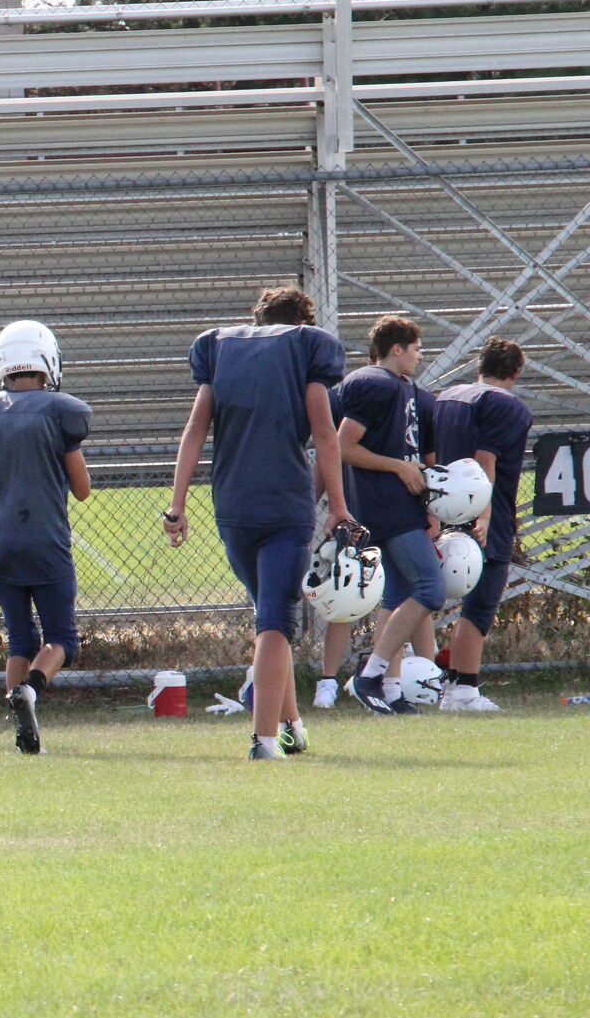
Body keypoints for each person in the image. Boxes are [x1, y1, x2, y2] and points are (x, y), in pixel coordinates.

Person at [163, 286, 348, 760]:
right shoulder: (307, 347)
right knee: (275, 623)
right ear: (303, 322)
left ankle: (291, 727)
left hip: (232, 504)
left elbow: (194, 430)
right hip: (284, 502)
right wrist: (340, 507)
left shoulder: (221, 348)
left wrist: (177, 504)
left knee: (270, 619)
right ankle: (264, 741)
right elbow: (326, 434)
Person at [0, 320, 93, 755]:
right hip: (45, 542)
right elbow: (83, 488)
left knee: (19, 638)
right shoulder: (60, 411)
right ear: (46, 361)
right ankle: (30, 689)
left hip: (0, 547)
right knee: (61, 640)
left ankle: (23, 733)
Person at [311, 338, 438, 709]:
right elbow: (340, 446)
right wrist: (398, 467)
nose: (420, 355)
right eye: (414, 347)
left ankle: (392, 689)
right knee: (429, 588)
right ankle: (366, 677)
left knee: (397, 597)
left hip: (402, 506)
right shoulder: (373, 383)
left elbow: (426, 458)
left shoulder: (417, 395)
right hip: (385, 507)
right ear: (394, 349)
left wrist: (432, 511)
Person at [431, 337, 532, 712]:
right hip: (483, 509)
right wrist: (485, 514)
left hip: (443, 506)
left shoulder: (449, 395)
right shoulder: (505, 405)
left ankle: (452, 685)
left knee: (444, 596)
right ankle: (464, 690)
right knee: (481, 599)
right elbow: (484, 460)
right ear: (516, 372)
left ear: (479, 366)